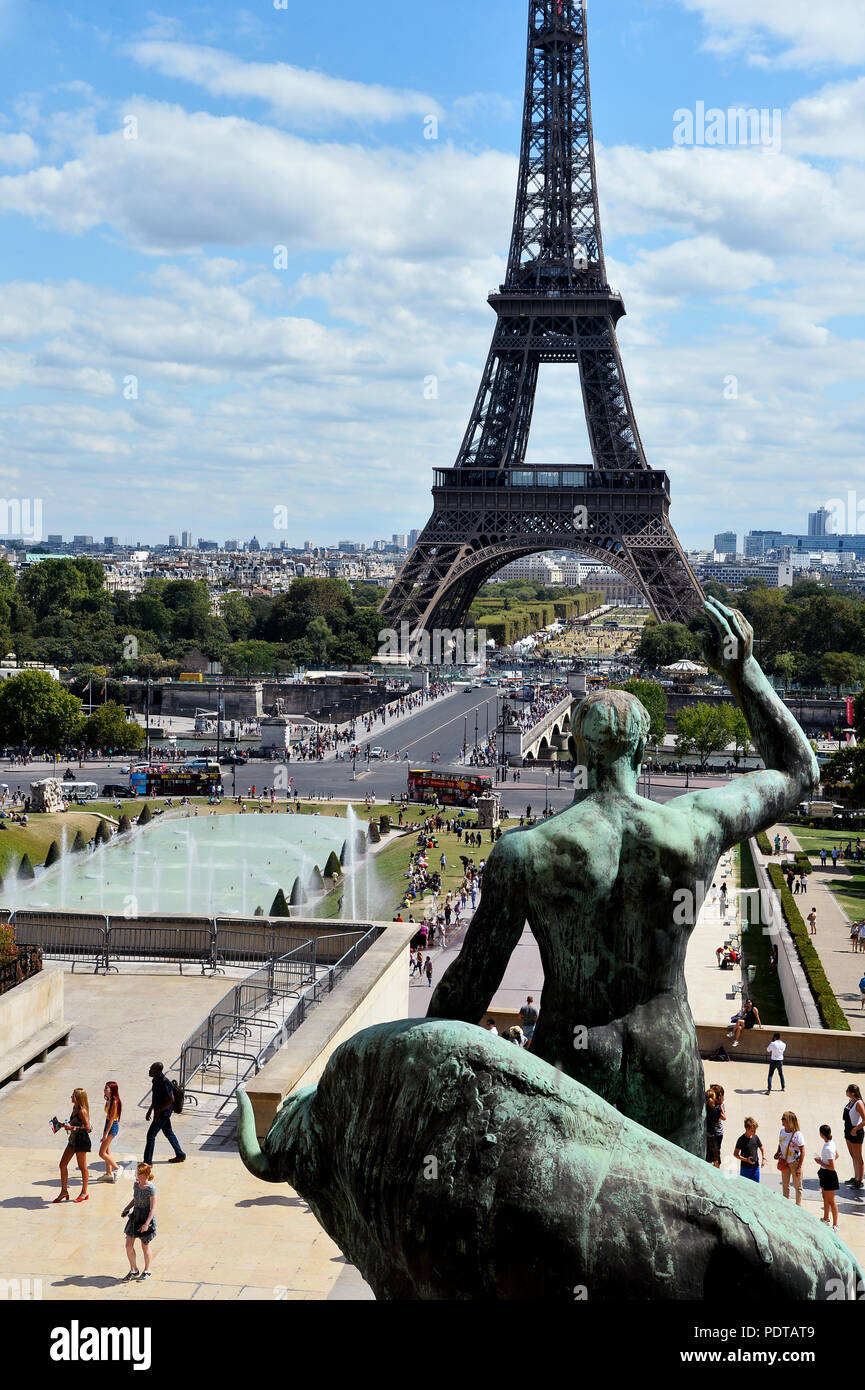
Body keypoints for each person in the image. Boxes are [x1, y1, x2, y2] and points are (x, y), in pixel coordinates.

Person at [427, 600, 818, 1157]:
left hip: (568, 1062)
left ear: (571, 750)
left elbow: (467, 990)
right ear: (642, 747)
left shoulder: (525, 852)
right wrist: (741, 671)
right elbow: (801, 771)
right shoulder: (694, 828)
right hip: (668, 1061)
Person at [53, 1087, 91, 1203]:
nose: (71, 1096)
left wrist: (72, 1127)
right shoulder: (74, 1108)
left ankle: (84, 1192)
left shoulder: (82, 1111)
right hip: (73, 1140)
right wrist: (61, 1125)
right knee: (62, 1164)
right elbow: (73, 1123)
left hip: (81, 1141)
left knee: (82, 1167)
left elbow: (88, 1128)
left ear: (78, 1097)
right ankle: (64, 1191)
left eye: (73, 1095)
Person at [143, 1063, 185, 1165]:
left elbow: (171, 1100)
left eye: (152, 1069)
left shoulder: (164, 1082)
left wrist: (159, 1110)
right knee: (169, 1133)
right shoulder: (155, 1080)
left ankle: (147, 1162)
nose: (149, 1071)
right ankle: (180, 1154)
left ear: (158, 1071)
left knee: (151, 1136)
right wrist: (150, 1110)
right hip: (160, 1112)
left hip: (163, 1114)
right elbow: (156, 1097)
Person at [121, 1162, 157, 1280]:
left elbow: (153, 1208)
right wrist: (127, 1208)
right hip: (135, 1216)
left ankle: (147, 1270)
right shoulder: (136, 1185)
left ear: (146, 1175)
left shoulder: (151, 1188)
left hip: (145, 1217)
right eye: (137, 1172)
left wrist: (147, 1224)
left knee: (144, 1245)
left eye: (139, 1173)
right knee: (128, 1246)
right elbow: (135, 1199)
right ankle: (134, 1269)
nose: (137, 1175)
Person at [775, 1111, 805, 1206]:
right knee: (785, 1185)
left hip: (795, 1163)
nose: (782, 1120)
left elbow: (803, 1151)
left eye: (783, 1118)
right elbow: (781, 1143)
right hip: (784, 1161)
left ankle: (798, 1206)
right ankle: (786, 1205)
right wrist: (778, 1151)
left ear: (789, 1121)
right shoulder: (782, 1130)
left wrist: (799, 1167)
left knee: (797, 1186)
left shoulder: (797, 1135)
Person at [816, 1124, 840, 1232]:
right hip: (824, 1174)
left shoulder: (828, 1148)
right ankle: (825, 1218)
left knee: (831, 1201)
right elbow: (837, 1155)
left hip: (829, 1175)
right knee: (825, 1198)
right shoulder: (831, 1143)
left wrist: (820, 1162)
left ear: (821, 1134)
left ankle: (835, 1225)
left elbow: (832, 1167)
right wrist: (823, 1161)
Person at [98, 1081, 122, 1183]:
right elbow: (108, 1118)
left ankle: (117, 1168)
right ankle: (108, 1173)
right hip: (107, 1124)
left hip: (112, 1126)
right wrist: (104, 1131)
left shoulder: (115, 1102)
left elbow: (112, 1119)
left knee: (101, 1153)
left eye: (106, 1088)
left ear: (112, 1090)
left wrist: (106, 1133)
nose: (104, 1089)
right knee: (107, 1151)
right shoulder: (108, 1099)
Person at [843, 1084, 865, 1188]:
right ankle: (855, 1177)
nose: (845, 1091)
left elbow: (864, 1120)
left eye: (847, 1090)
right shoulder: (850, 1101)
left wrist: (856, 1129)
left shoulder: (858, 1103)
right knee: (853, 1156)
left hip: (856, 1132)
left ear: (852, 1092)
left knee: (858, 1157)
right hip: (848, 1130)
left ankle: (860, 1181)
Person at [734, 1117, 764, 1182]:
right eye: (753, 1130)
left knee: (756, 1187)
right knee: (745, 1188)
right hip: (745, 1169)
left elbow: (762, 1148)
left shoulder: (755, 1137)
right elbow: (735, 1154)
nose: (755, 1132)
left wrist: (764, 1158)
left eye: (755, 1130)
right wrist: (746, 1160)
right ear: (747, 1129)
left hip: (755, 1168)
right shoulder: (741, 1140)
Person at [705, 1088, 723, 1167]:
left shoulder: (704, 1107)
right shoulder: (716, 1110)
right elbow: (721, 1117)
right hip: (713, 1135)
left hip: (705, 1134)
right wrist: (720, 1103)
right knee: (716, 1158)